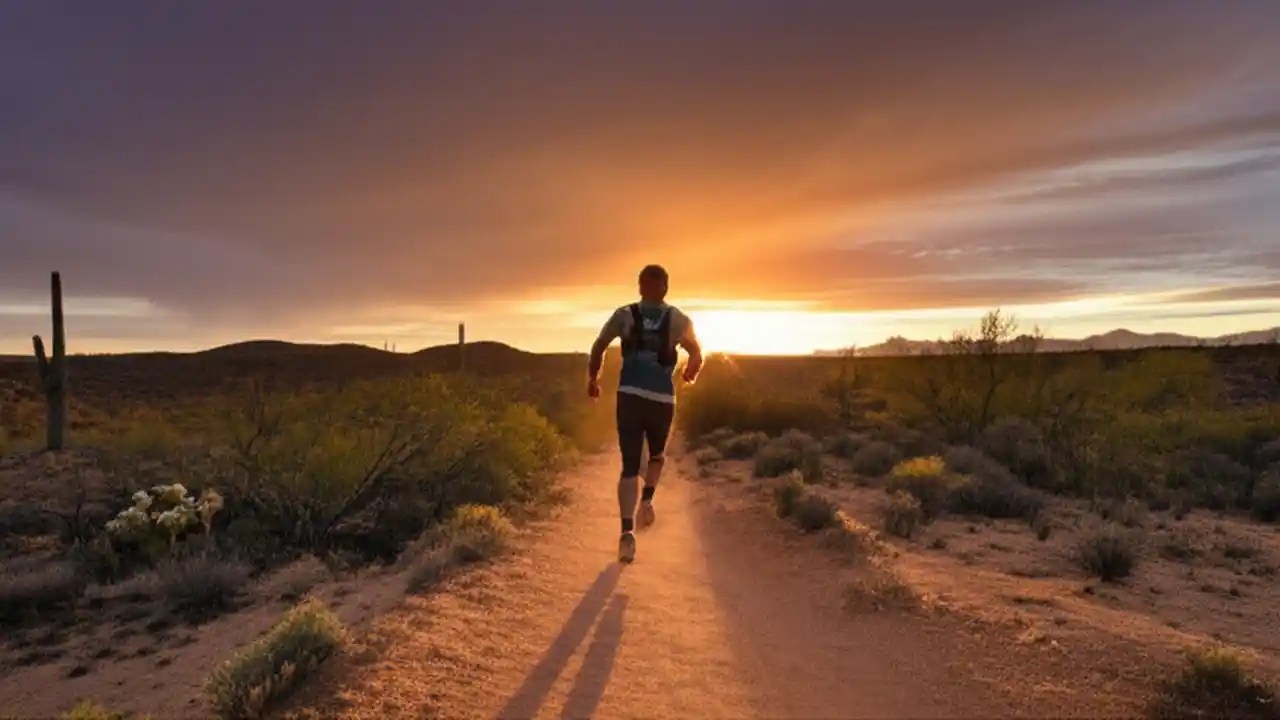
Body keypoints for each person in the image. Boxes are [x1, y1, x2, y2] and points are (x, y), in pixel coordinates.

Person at [588, 264, 702, 563]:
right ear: (665, 287)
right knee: (656, 456)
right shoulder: (678, 318)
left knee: (628, 466)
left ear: (640, 287)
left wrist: (593, 379)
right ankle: (647, 501)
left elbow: (599, 345)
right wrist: (691, 370)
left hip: (630, 395)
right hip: (662, 399)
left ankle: (627, 534)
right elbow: (696, 350)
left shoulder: (624, 314)